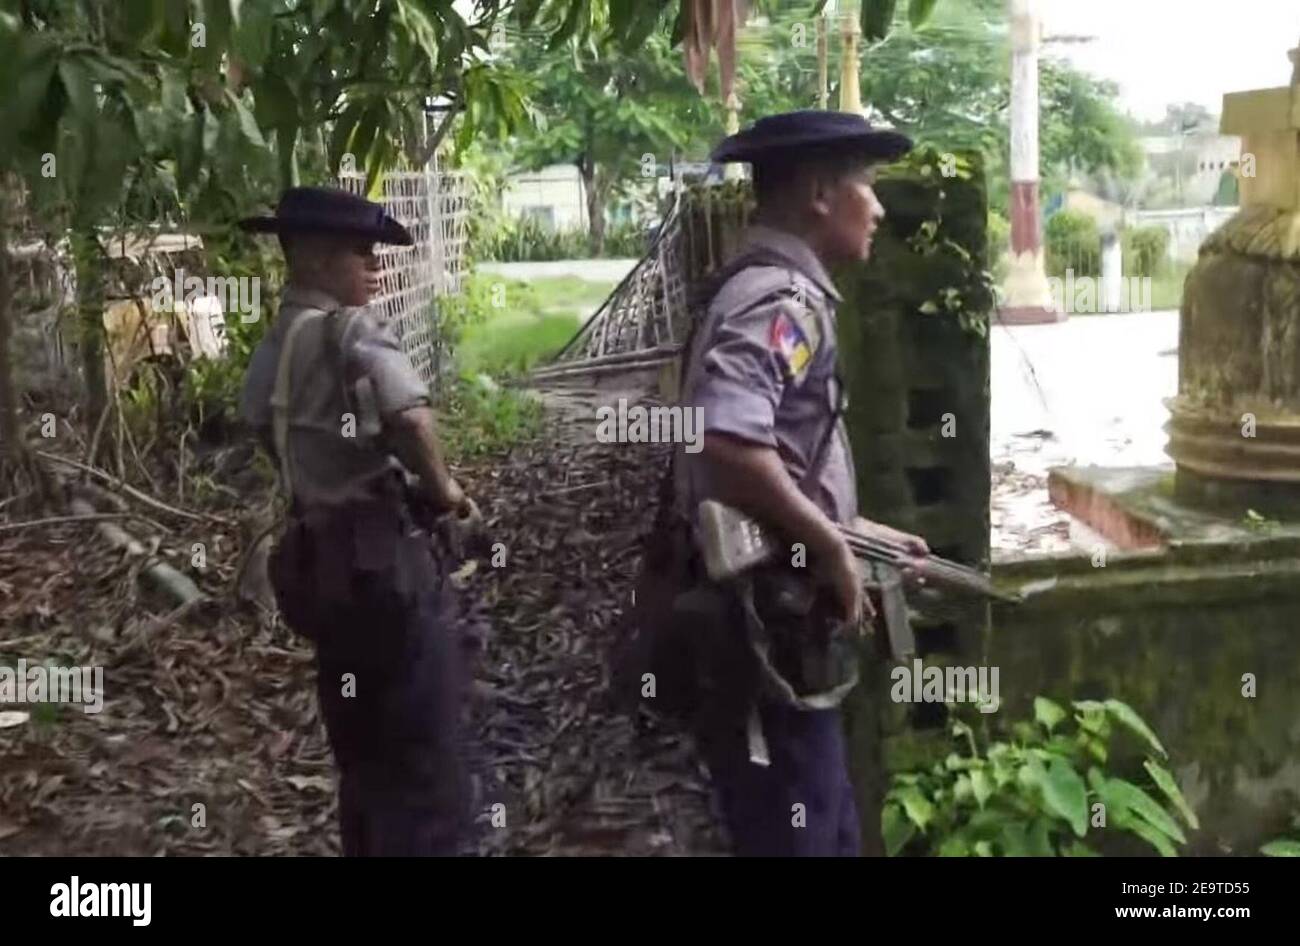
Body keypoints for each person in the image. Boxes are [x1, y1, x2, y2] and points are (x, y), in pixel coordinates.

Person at [633, 111, 931, 857]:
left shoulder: (755, 289)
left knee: (820, 824)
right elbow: (730, 440)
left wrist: (861, 530)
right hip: (769, 628)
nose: (880, 205)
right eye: (867, 183)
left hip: (771, 618)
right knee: (797, 828)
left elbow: (775, 460)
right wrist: (830, 546)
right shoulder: (783, 303)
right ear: (820, 192)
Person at [238, 186, 481, 856]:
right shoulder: (350, 329)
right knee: (424, 749)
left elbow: (262, 426)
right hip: (382, 559)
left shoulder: (278, 343)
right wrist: (447, 492)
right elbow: (409, 416)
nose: (375, 267)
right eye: (360, 252)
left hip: (320, 562)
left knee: (362, 747)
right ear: (314, 258)